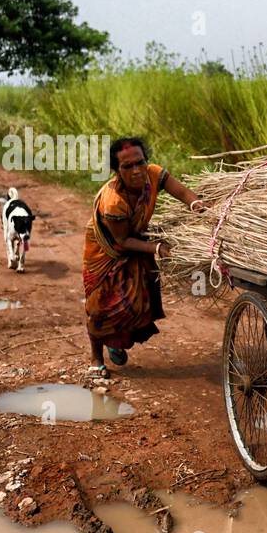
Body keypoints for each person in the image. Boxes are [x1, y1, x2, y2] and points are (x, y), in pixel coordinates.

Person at [82, 137, 205, 379]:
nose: (136, 170)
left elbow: (181, 191)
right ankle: (96, 358)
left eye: (140, 162)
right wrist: (157, 248)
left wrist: (196, 204)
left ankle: (116, 342)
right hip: (105, 250)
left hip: (135, 239)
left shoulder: (153, 174)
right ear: (117, 171)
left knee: (136, 303)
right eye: (127, 166)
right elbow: (122, 242)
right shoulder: (113, 202)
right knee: (101, 306)